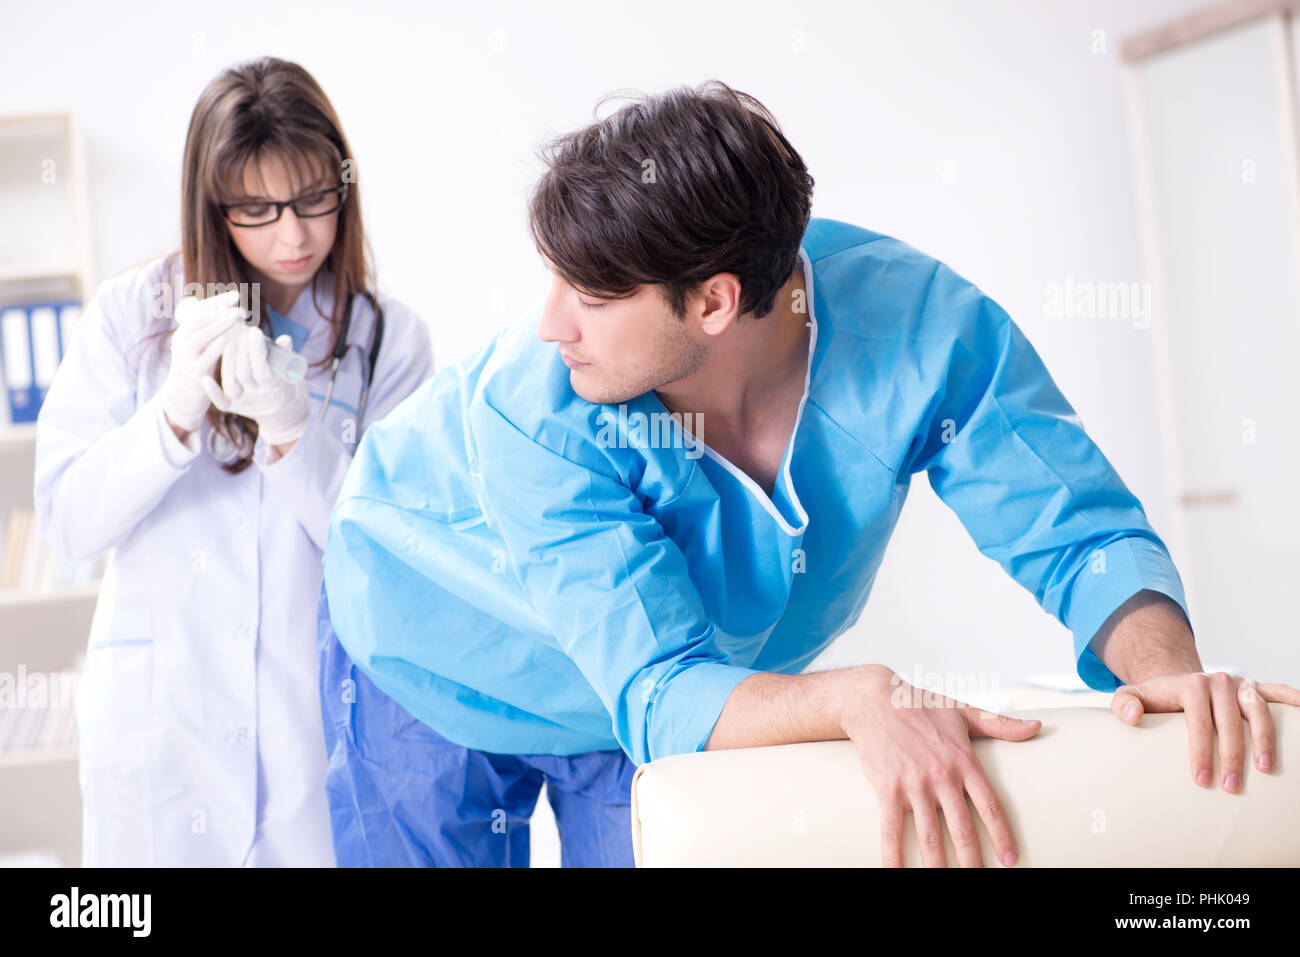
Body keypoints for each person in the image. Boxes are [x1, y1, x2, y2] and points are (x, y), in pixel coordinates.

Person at [316, 81, 1300, 868]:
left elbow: (1076, 532)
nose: (547, 324)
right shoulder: (537, 408)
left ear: (713, 303)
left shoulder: (923, 329)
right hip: (422, 636)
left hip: (653, 682)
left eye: (589, 292)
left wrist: (1170, 677)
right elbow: (658, 687)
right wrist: (847, 696)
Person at [34, 56, 433, 867]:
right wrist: (172, 418)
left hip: (308, 730)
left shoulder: (388, 339)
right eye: (258, 208)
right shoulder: (130, 316)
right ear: (211, 206)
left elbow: (395, 548)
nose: (294, 235)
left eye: (317, 198)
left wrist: (293, 435)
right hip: (162, 723)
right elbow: (70, 523)